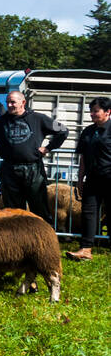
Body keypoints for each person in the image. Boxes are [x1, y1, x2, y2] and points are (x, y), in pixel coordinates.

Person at [0, 89, 68, 216]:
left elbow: (63, 131)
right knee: (12, 212)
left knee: (39, 209)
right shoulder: (0, 122)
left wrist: (48, 148)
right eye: (7, 102)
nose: (9, 105)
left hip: (33, 170)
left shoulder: (38, 118)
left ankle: (42, 235)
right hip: (9, 169)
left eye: (12, 102)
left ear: (23, 102)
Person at [67, 97, 111, 261]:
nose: (92, 114)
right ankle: (86, 249)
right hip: (92, 179)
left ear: (108, 112)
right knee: (88, 213)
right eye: (91, 111)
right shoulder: (88, 131)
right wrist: (79, 180)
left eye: (95, 111)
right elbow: (83, 158)